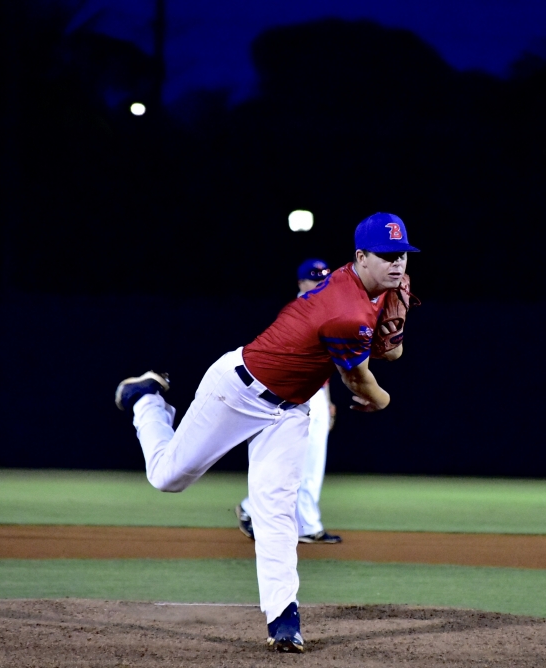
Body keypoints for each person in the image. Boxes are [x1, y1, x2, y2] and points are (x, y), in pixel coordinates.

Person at [114, 212, 420, 653]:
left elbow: (386, 350)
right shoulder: (346, 310)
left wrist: (390, 337)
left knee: (276, 513)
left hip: (290, 411)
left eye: (403, 256)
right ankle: (147, 400)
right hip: (236, 392)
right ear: (360, 257)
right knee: (166, 477)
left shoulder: (370, 290)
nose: (397, 265)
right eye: (387, 255)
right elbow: (362, 384)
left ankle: (284, 618)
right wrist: (384, 397)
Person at [235, 258, 342, 545]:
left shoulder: (326, 309)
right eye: (314, 279)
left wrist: (327, 400)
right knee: (295, 463)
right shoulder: (299, 311)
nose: (321, 284)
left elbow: (326, 364)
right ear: (300, 283)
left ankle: (305, 524)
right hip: (292, 396)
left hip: (316, 394)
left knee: (312, 463)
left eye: (325, 279)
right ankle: (254, 508)